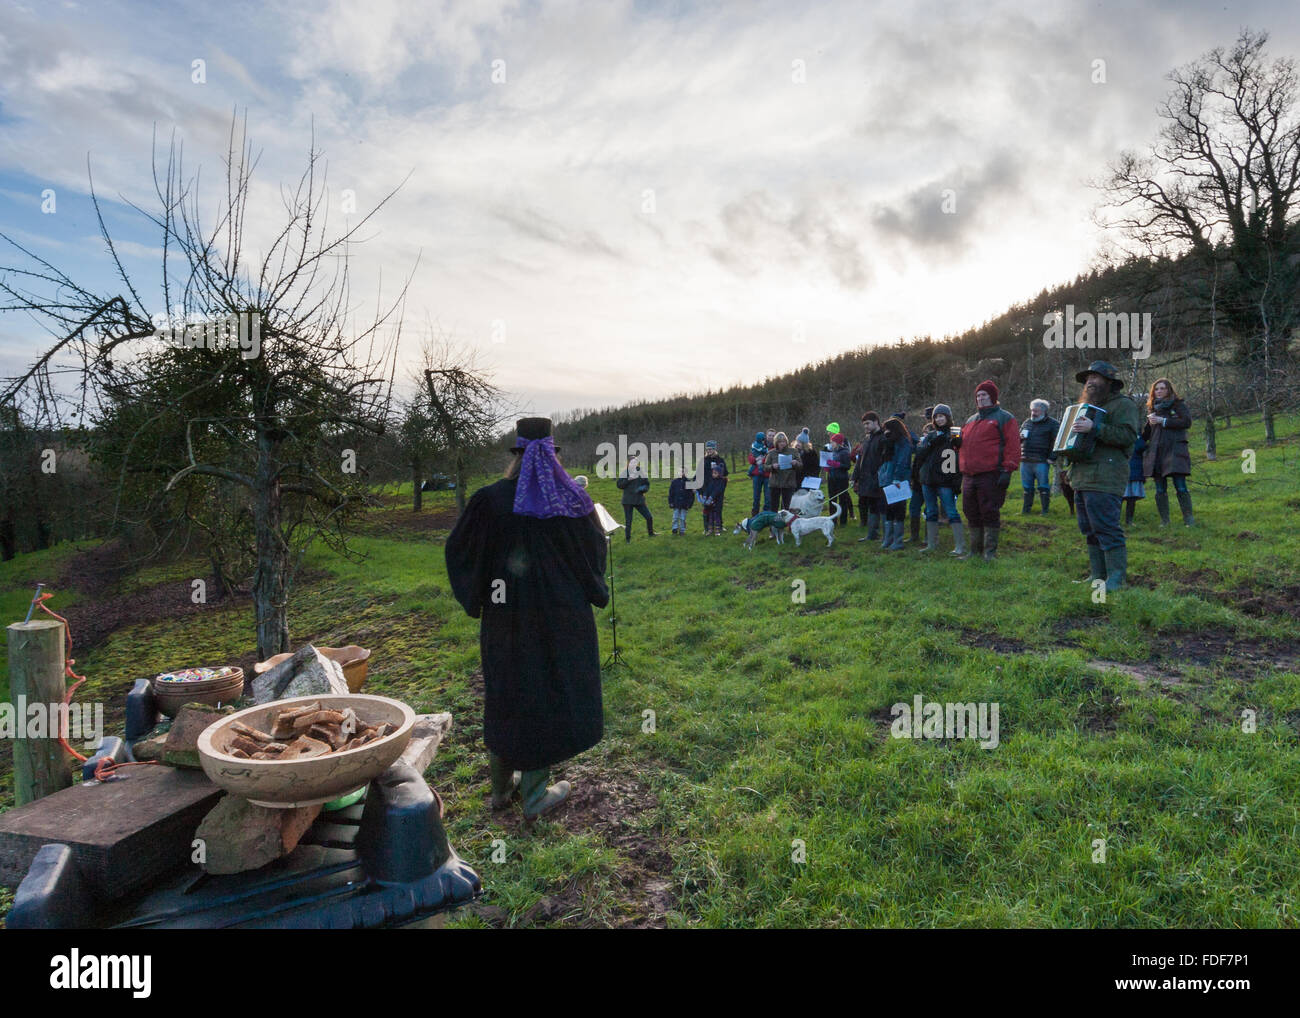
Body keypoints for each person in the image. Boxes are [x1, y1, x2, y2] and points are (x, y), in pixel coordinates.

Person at [444, 417, 608, 821]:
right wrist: (587, 584)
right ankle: (534, 796)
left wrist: (479, 594)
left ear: (516, 455)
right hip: (560, 617)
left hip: (506, 617)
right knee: (547, 692)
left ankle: (501, 790)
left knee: (506, 690)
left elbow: (460, 550)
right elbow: (592, 553)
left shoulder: (489, 500)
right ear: (553, 454)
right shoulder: (571, 501)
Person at [1063, 361, 1141, 590]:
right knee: (1088, 528)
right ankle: (1098, 575)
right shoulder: (1085, 408)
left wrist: (1095, 429)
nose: (1090, 382)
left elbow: (1128, 436)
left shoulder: (1123, 405)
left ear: (1109, 382)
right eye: (1088, 379)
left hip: (1106, 477)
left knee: (1106, 527)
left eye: (1095, 377)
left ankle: (1116, 578)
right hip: (1083, 476)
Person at [958, 380, 1020, 561]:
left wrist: (1008, 470)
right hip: (969, 475)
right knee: (971, 512)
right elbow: (965, 446)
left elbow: (1013, 446)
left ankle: (989, 553)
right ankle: (974, 551)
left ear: (993, 397)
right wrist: (956, 445)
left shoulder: (1005, 418)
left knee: (989, 511)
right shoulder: (970, 420)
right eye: (978, 395)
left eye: (984, 395)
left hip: (991, 474)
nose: (980, 398)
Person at [915, 404, 966, 556]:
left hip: (945, 480)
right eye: (936, 416)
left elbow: (958, 449)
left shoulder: (954, 433)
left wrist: (953, 439)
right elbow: (919, 454)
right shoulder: (930, 436)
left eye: (942, 416)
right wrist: (929, 443)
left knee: (951, 511)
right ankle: (931, 543)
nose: (939, 419)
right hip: (927, 479)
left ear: (948, 417)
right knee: (930, 511)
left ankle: (960, 546)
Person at [1142, 378, 1194, 526]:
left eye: (1162, 388)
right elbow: (1146, 434)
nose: (1159, 391)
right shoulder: (1153, 409)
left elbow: (1187, 422)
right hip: (1157, 453)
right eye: (1156, 389)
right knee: (1159, 489)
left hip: (1175, 451)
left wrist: (1163, 421)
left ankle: (1189, 520)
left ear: (1169, 390)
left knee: (1181, 486)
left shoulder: (1178, 405)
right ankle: (1165, 521)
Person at [877, 417, 913, 550]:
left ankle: (898, 540)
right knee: (888, 510)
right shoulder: (888, 443)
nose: (886, 432)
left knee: (898, 509)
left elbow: (903, 461)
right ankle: (888, 538)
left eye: (888, 429)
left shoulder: (903, 442)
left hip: (898, 480)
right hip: (886, 479)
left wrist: (897, 477)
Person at [1020, 399, 1060, 514]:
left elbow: (1057, 442)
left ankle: (1045, 511)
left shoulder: (1053, 424)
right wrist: (1020, 438)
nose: (1033, 413)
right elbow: (1018, 438)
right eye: (1032, 410)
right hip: (1025, 459)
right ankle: (1025, 511)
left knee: (1043, 487)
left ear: (1044, 411)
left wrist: (1052, 457)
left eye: (1036, 411)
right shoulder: (1027, 422)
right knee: (1027, 487)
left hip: (1042, 460)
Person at [852, 412, 886, 542]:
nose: (865, 426)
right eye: (864, 424)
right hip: (866, 479)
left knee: (883, 508)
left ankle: (886, 536)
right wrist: (854, 477)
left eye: (867, 423)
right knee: (872, 507)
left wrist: (880, 476)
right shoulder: (867, 439)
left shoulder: (883, 438)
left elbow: (885, 460)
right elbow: (860, 460)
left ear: (876, 422)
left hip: (879, 479)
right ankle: (872, 534)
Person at [822, 422, 854, 526]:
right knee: (832, 499)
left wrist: (837, 464)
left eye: (833, 442)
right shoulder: (833, 452)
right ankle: (833, 520)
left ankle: (843, 521)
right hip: (832, 478)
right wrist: (828, 468)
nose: (831, 444)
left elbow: (847, 466)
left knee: (842, 500)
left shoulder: (844, 452)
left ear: (838, 442)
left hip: (841, 479)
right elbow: (830, 463)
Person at [617, 455, 655, 541]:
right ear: (628, 463)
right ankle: (628, 539)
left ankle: (651, 533)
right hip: (628, 501)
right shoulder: (625, 472)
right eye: (632, 462)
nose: (634, 464)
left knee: (649, 517)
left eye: (635, 462)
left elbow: (647, 484)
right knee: (628, 521)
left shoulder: (641, 472)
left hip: (639, 499)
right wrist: (628, 480)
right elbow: (619, 485)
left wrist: (644, 489)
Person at [765, 431, 799, 511]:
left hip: (788, 483)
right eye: (780, 442)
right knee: (774, 506)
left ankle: (785, 523)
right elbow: (765, 467)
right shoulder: (771, 453)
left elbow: (800, 465)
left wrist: (796, 463)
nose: (782, 443)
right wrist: (772, 466)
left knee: (786, 507)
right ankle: (774, 521)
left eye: (784, 441)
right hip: (775, 483)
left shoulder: (793, 451)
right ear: (776, 442)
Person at [1124, 435, 1147, 526]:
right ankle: (1127, 521)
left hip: (1133, 472)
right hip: (1129, 472)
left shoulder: (1137, 439)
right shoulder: (1137, 439)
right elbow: (1141, 446)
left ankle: (1128, 521)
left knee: (1131, 499)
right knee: (1129, 499)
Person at [698, 462, 727, 535]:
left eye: (715, 473)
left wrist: (711, 497)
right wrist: (705, 495)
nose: (713, 474)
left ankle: (718, 529)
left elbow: (717, 491)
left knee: (716, 515)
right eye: (713, 473)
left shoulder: (721, 482)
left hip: (717, 502)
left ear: (719, 474)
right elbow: (708, 489)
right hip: (710, 503)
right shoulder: (711, 481)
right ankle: (710, 529)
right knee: (710, 515)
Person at [747, 431, 770, 515]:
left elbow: (771, 459)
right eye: (769, 435)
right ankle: (755, 514)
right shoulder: (760, 445)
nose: (770, 437)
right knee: (756, 496)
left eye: (772, 435)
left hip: (768, 475)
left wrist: (761, 460)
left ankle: (766, 514)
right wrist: (757, 460)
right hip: (757, 475)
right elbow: (750, 458)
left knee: (768, 497)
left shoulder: (774, 447)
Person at [668, 467, 693, 535]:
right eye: (679, 472)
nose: (681, 473)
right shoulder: (674, 482)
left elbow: (691, 495)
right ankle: (674, 529)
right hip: (676, 503)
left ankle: (682, 530)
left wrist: (689, 504)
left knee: (683, 518)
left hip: (685, 504)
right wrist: (671, 502)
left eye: (683, 472)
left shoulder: (688, 482)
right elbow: (671, 493)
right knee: (675, 517)